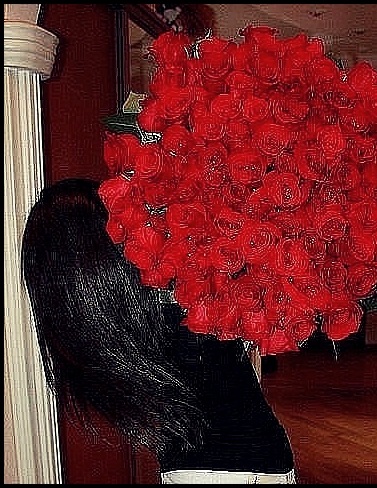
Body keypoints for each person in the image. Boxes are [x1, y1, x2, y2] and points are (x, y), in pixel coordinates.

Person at [21, 178, 297, 484]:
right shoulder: (172, 310)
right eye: (118, 217)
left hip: (207, 469)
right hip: (236, 471)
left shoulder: (124, 328)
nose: (132, 220)